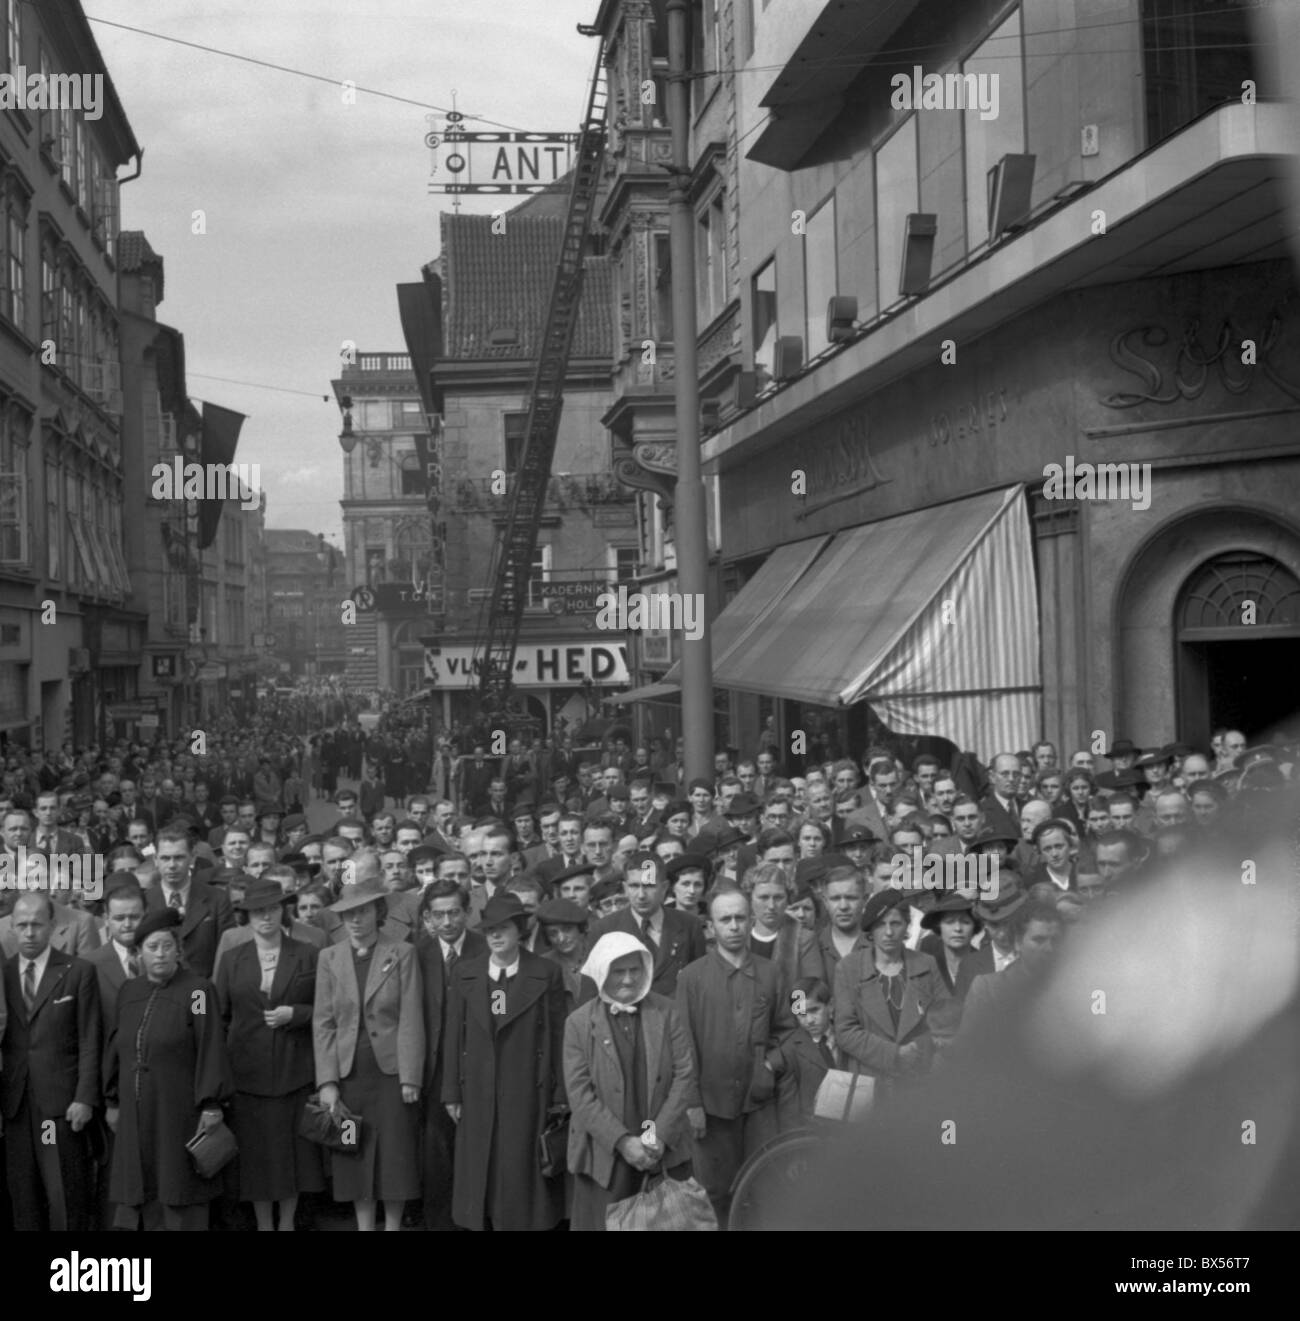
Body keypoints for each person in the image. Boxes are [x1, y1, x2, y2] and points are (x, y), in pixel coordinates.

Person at [442, 893, 568, 1231]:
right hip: (478, 1086)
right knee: (483, 1163)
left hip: (528, 1085)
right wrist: (451, 1091)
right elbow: (454, 1035)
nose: (496, 936)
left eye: (504, 929)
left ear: (520, 930)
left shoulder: (546, 972)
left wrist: (559, 1095)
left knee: (519, 1168)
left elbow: (558, 1037)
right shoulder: (467, 973)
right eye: (490, 930)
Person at [105, 907, 234, 1230]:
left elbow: (211, 1044)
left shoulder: (198, 992)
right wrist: (112, 1101)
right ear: (138, 953)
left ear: (179, 949)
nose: (160, 954)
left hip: (179, 1112)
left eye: (166, 946)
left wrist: (212, 1102)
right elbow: (116, 1047)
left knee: (178, 1188)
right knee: (138, 1187)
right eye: (152, 947)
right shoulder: (129, 992)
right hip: (134, 1114)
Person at [676, 886, 796, 1222]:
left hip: (758, 1104)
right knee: (714, 1191)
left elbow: (789, 1031)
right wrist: (692, 1104)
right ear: (710, 927)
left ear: (751, 920)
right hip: (711, 1109)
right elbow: (682, 1044)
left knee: (762, 1184)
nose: (733, 926)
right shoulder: (692, 978)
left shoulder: (771, 973)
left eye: (740, 918)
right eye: (724, 919)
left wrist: (770, 1065)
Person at [562, 931, 698, 1230]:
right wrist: (624, 1143)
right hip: (606, 1154)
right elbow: (580, 1094)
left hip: (662, 1148)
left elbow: (684, 1074)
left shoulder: (667, 1011)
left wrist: (657, 1136)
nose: (627, 979)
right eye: (618, 971)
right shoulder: (579, 1023)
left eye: (634, 970)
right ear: (601, 972)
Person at [312, 876, 424, 1232]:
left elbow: (411, 1016)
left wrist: (410, 1076)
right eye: (348, 915)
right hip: (349, 1075)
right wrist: (327, 1082)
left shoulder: (402, 951)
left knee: (394, 1156)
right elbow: (323, 1022)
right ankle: (364, 1227)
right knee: (354, 1153)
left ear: (377, 912)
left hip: (390, 1074)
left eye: (362, 912)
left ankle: (391, 1227)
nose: (356, 921)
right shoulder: (329, 958)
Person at [215, 877, 324, 1231]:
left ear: (283, 911)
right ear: (246, 916)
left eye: (272, 909)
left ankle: (288, 1223)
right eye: (257, 911)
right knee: (258, 1159)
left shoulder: (308, 953)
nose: (265, 917)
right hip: (247, 1075)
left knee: (293, 1156)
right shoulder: (232, 958)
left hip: (295, 1071)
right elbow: (219, 1015)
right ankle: (264, 1225)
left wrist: (297, 1015)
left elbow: (326, 1010)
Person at [1, 893, 101, 1231]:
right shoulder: (3, 974)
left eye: (37, 925)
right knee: (23, 1194)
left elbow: (90, 1039)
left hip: (58, 1108)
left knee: (63, 1193)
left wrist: (84, 1096)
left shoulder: (77, 971)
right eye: (22, 925)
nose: (29, 932)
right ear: (12, 927)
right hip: (16, 1106)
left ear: (53, 926)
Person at [834, 889, 957, 1091]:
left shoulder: (926, 964)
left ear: (907, 926)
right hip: (868, 1080)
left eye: (896, 924)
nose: (889, 932)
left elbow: (945, 1021)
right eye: (881, 925)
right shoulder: (848, 968)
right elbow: (845, 1031)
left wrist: (917, 1048)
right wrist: (894, 1054)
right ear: (871, 930)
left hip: (917, 1076)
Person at [415, 879, 485, 1232]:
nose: (447, 922)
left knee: (475, 1153)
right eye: (438, 914)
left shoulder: (485, 948)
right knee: (437, 1158)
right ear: (427, 917)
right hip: (432, 1070)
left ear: (467, 913)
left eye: (454, 913)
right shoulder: (416, 952)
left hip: (477, 1067)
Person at [588, 851, 706, 996]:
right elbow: (590, 995)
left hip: (677, 1015)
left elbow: (701, 987)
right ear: (625, 888)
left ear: (664, 888)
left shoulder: (689, 925)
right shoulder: (604, 930)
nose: (641, 895)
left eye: (649, 886)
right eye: (634, 886)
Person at [145, 827, 234, 980]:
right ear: (155, 860)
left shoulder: (217, 899)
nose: (172, 865)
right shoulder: (144, 902)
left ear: (192, 858)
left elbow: (228, 955)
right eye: (165, 858)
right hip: (159, 993)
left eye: (179, 857)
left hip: (202, 992)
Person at [767, 977, 838, 1125]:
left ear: (830, 1006)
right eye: (802, 1014)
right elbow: (789, 1111)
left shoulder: (846, 1037)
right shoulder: (790, 1050)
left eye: (814, 1010)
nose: (809, 1020)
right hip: (813, 1133)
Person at [916, 893, 984, 998]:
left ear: (974, 927)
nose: (958, 928)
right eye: (949, 922)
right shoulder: (928, 956)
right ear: (939, 927)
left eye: (965, 922)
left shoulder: (986, 967)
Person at [537, 897, 590, 1012]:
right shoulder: (544, 965)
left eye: (567, 929)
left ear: (579, 928)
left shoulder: (597, 954)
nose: (561, 938)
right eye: (553, 933)